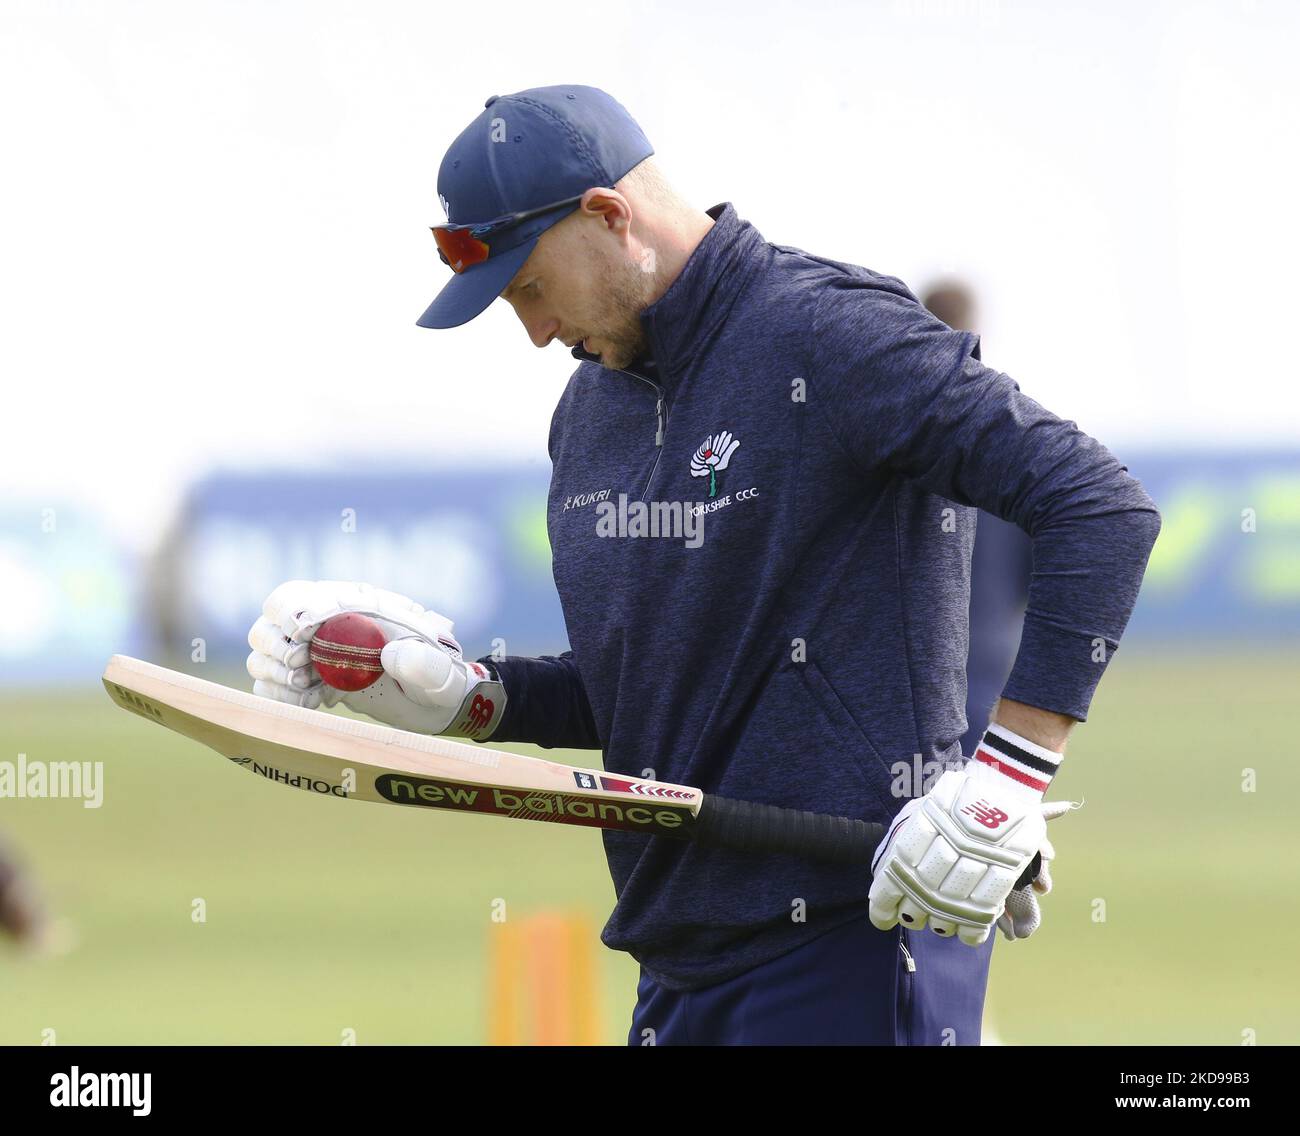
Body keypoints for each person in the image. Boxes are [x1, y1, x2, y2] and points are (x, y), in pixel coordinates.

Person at [246, 85, 1161, 1045]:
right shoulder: (589, 412)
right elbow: (658, 687)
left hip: (850, 945)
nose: (535, 333)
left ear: (609, 216)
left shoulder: (830, 334)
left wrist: (1005, 780)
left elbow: (1100, 506)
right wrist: (477, 698)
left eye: (529, 289)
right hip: (677, 971)